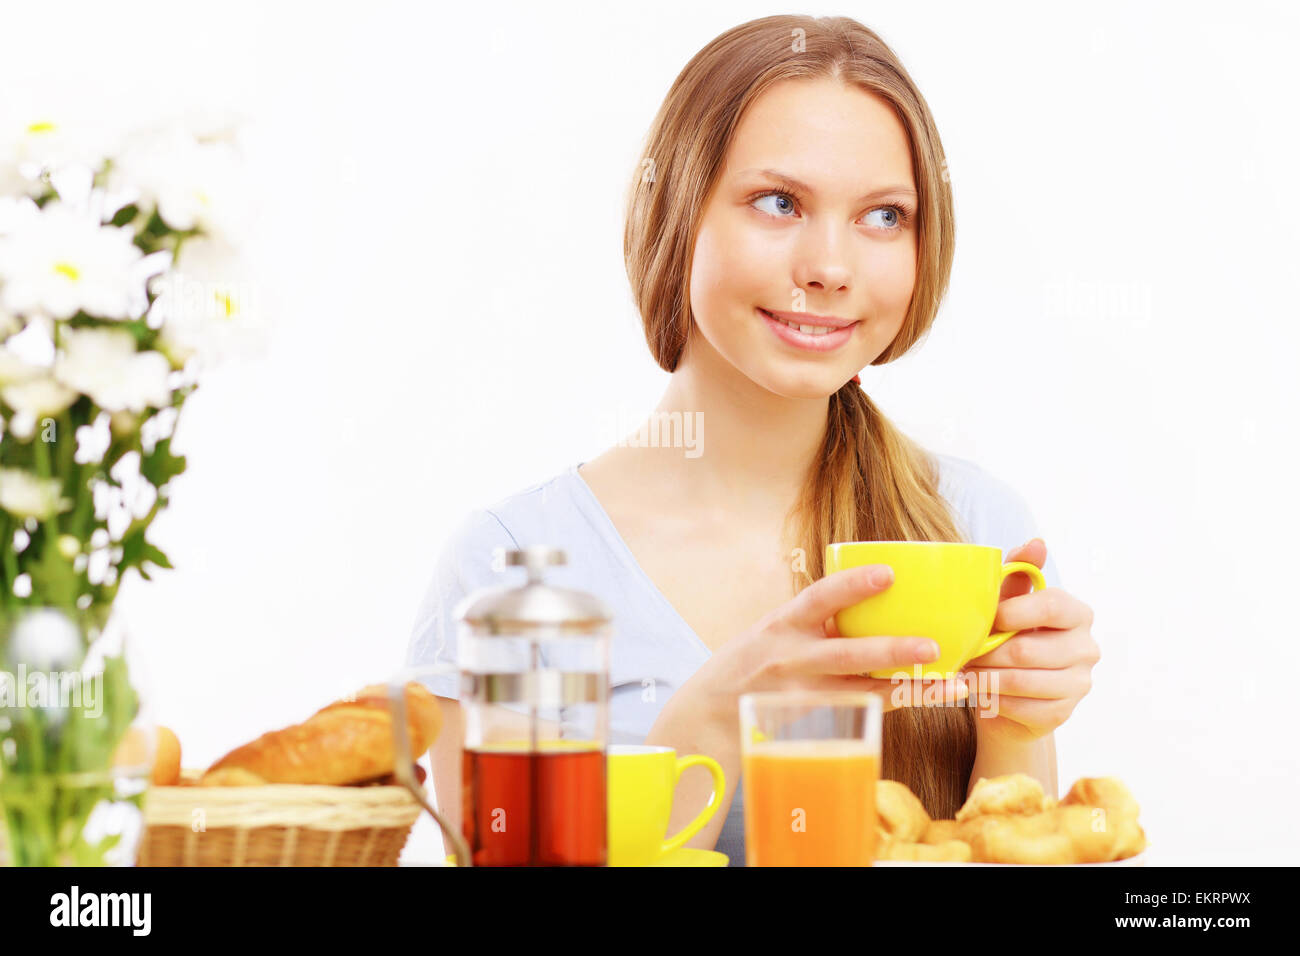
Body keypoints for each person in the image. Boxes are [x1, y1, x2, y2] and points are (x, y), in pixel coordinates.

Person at [406, 13, 1100, 865]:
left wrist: (1015, 722)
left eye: (884, 215)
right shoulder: (511, 573)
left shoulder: (974, 528)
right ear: (676, 214)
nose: (831, 266)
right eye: (779, 202)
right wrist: (696, 737)